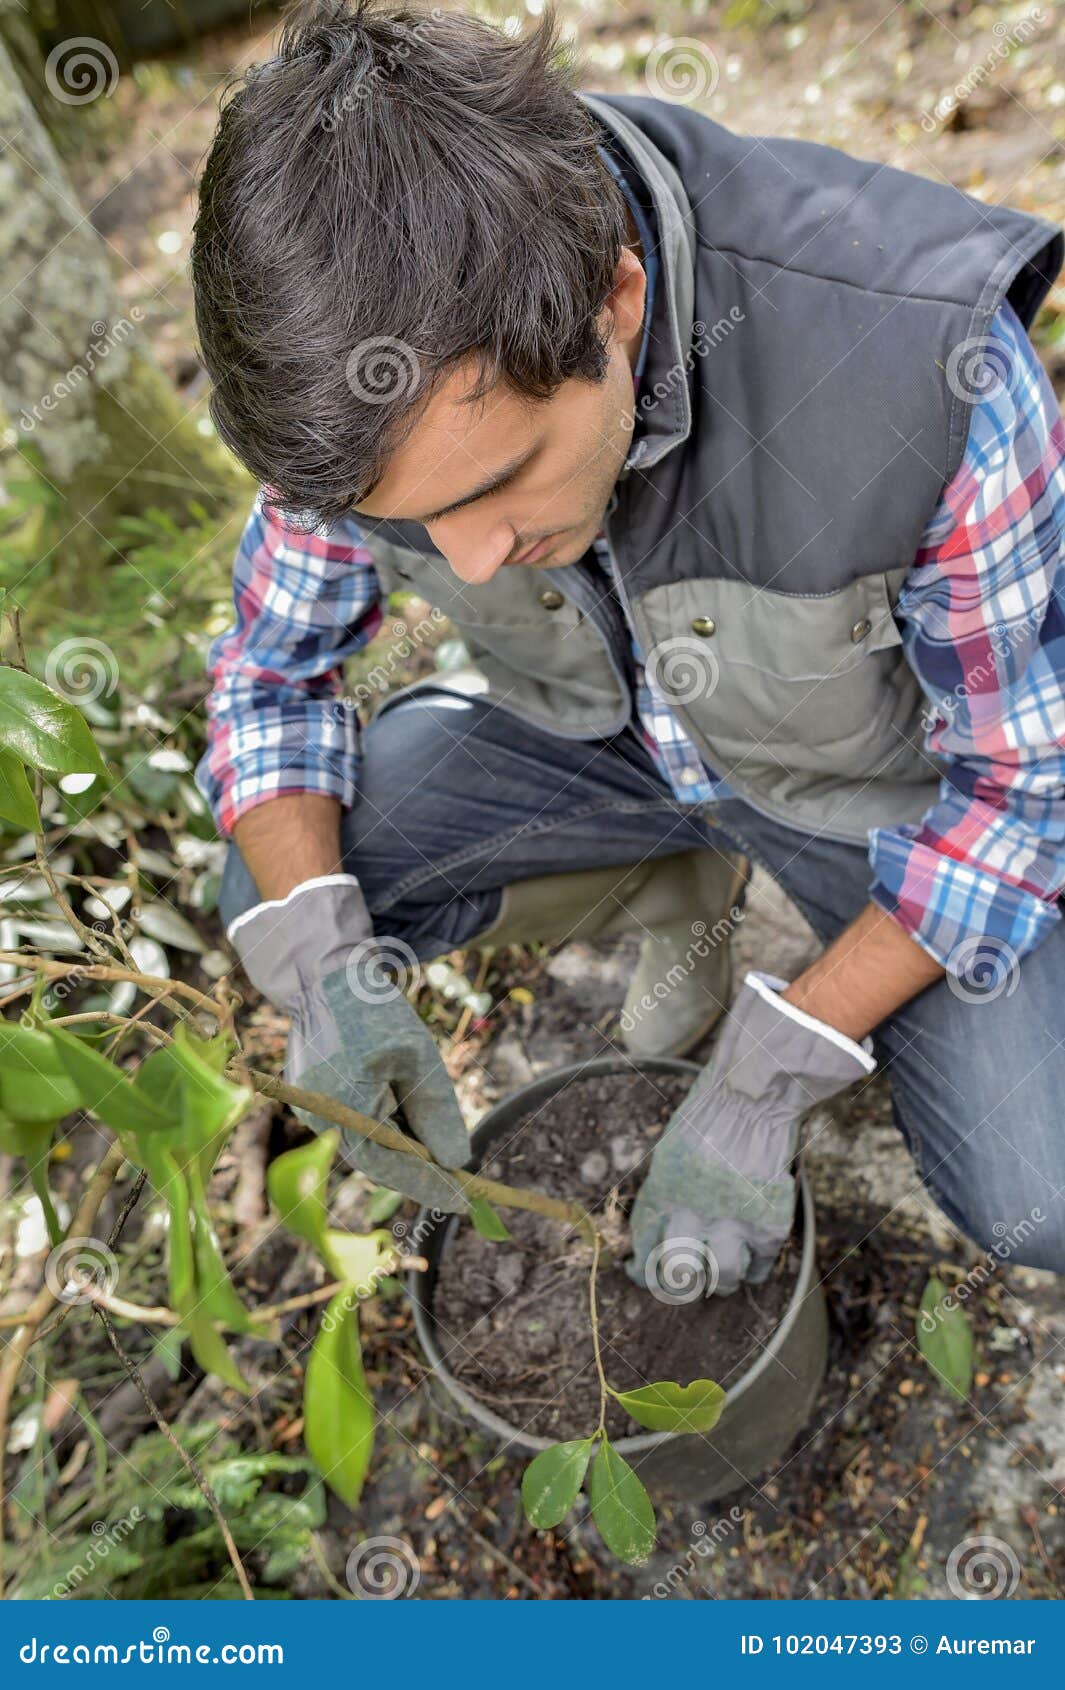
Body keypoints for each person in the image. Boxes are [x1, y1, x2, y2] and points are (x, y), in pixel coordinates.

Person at [191, 1, 1065, 1292]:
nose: (468, 557)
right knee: (273, 884)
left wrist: (778, 1062)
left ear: (616, 297)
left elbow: (1018, 798)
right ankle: (678, 883)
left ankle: (752, 893)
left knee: (1037, 1191)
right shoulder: (354, 380)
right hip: (602, 730)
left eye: (503, 483)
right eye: (421, 519)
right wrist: (323, 970)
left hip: (864, 790)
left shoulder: (928, 369)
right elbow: (271, 679)